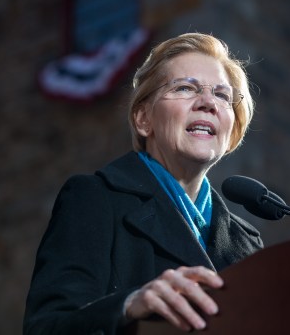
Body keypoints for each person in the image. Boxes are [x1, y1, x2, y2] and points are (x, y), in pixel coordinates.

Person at [23, 32, 263, 334]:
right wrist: (127, 306)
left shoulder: (247, 240)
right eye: (186, 88)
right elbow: (45, 327)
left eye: (222, 95)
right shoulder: (93, 199)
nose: (208, 103)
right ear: (143, 119)